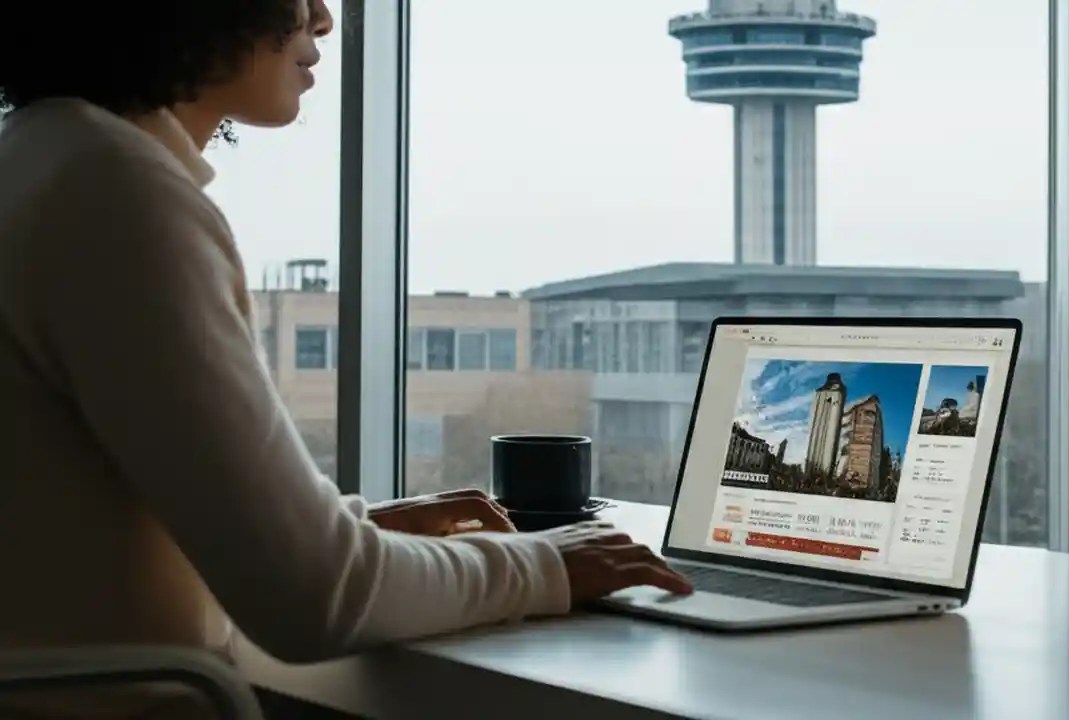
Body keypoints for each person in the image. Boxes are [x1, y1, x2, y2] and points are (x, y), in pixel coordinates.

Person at [0, 1, 690, 713]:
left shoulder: (45, 159)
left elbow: (125, 516)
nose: (325, 19)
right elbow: (309, 599)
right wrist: (547, 564)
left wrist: (357, 527)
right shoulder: (117, 197)